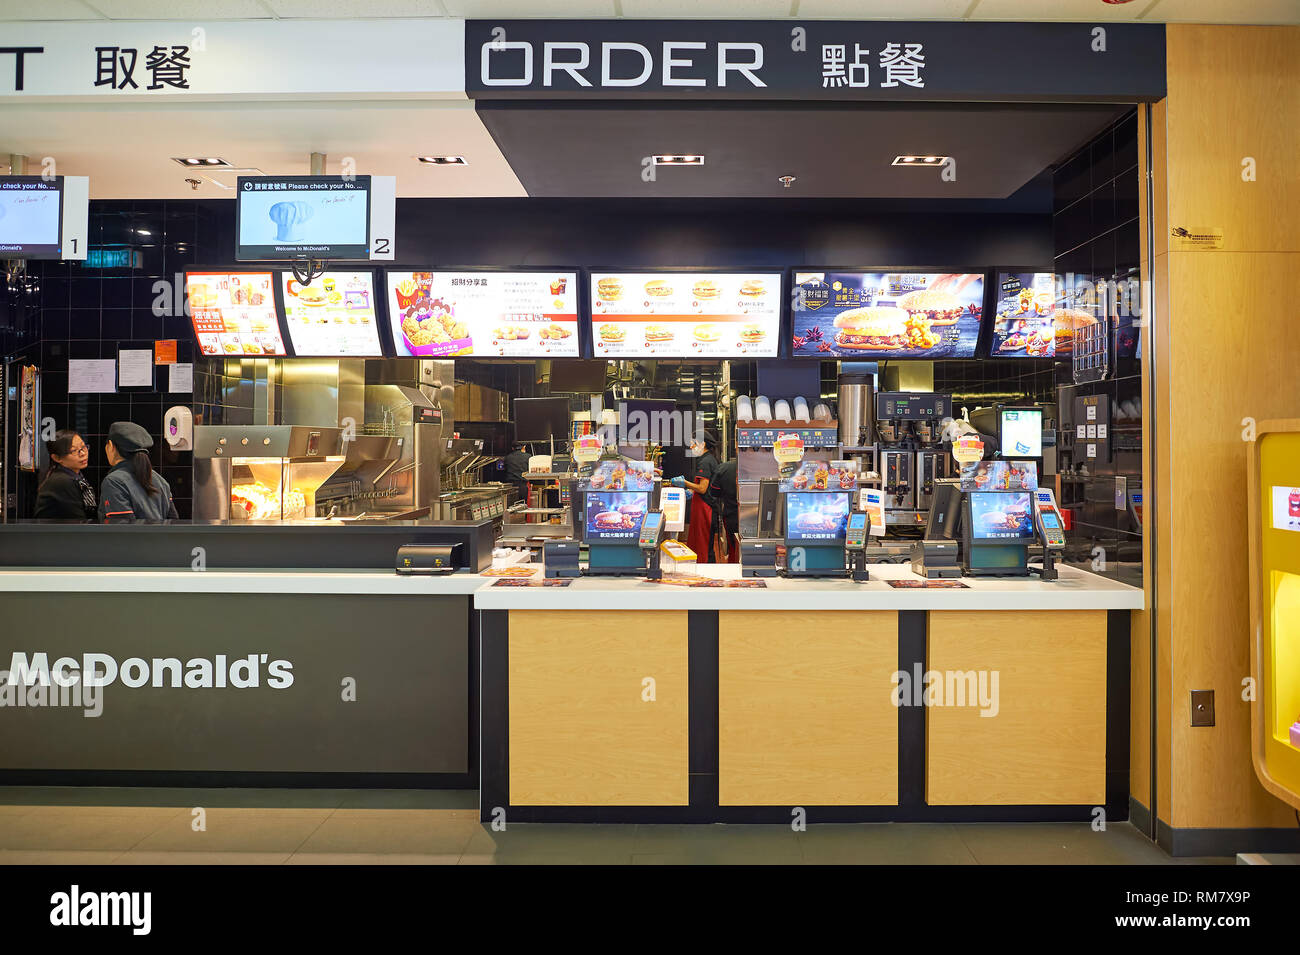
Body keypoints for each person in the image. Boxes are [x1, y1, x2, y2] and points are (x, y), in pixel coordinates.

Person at [98, 421, 178, 523]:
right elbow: (173, 522)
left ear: (110, 446)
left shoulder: (114, 482)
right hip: (161, 539)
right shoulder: (160, 480)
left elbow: (120, 528)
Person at [671, 430, 720, 562]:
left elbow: (703, 488)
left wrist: (685, 483)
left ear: (702, 444)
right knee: (702, 542)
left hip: (706, 508)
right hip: (703, 506)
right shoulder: (708, 459)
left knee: (703, 544)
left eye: (693, 444)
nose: (691, 447)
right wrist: (691, 492)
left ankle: (706, 570)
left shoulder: (705, 462)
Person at [34, 430, 96, 522]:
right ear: (56, 458)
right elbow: (78, 519)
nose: (83, 454)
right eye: (74, 451)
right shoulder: (62, 481)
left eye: (83, 447)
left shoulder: (77, 476)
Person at [708, 455, 740, 563]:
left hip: (731, 514)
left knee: (733, 547)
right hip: (755, 516)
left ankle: (734, 573)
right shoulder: (759, 467)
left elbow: (714, 491)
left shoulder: (724, 468)